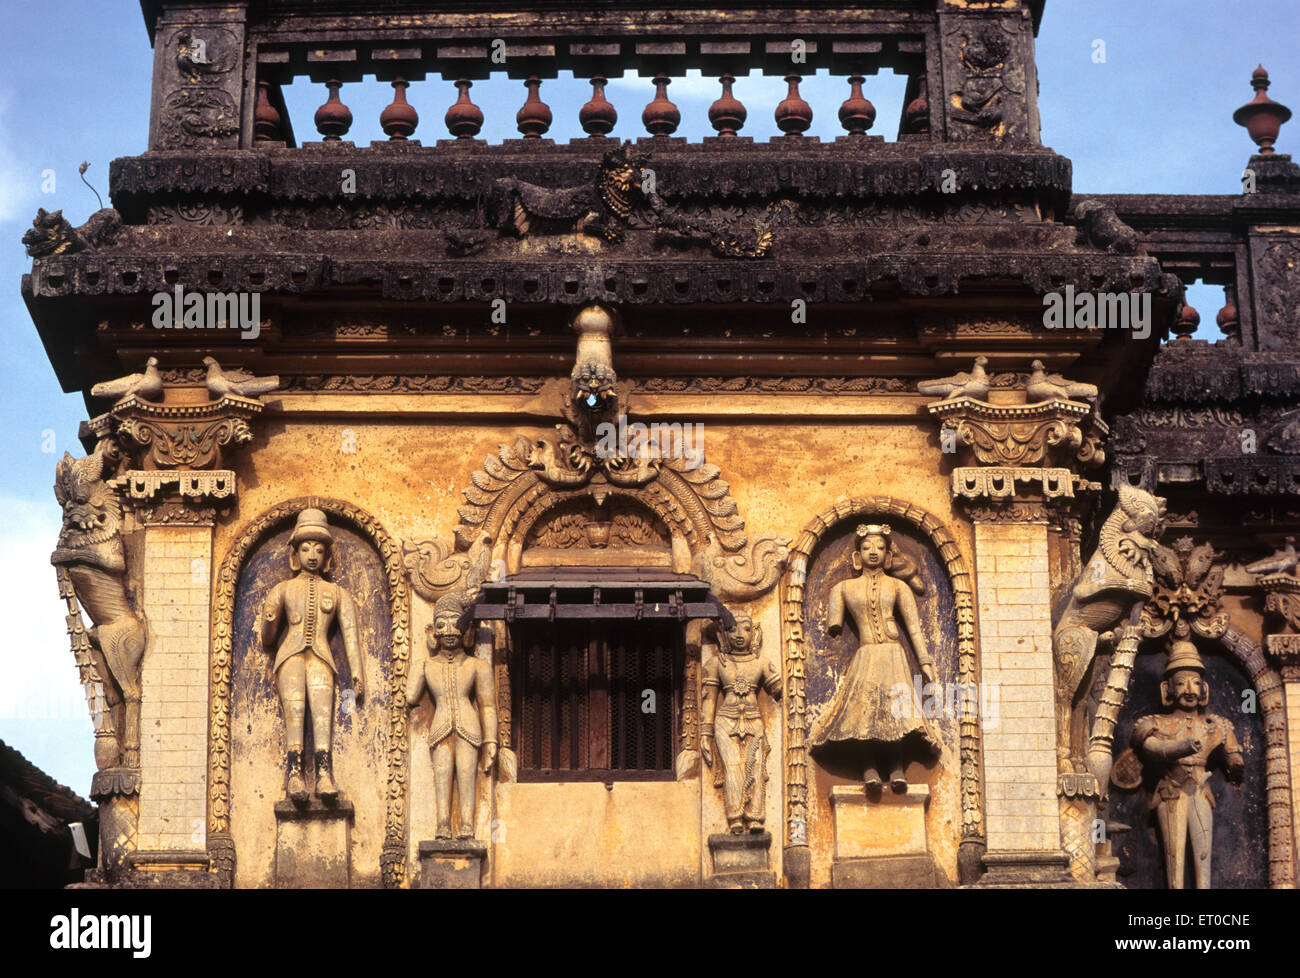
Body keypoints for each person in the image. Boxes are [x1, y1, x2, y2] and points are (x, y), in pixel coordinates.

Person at [809, 523, 939, 793]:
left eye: (880, 547)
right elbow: (834, 626)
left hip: (893, 654)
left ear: (888, 555)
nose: (873, 552)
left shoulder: (898, 587)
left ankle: (896, 766)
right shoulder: (843, 588)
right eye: (867, 547)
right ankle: (869, 766)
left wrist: (925, 662)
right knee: (865, 712)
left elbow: (914, 628)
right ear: (857, 556)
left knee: (897, 712)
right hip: (866, 654)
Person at [259, 507, 364, 804]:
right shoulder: (283, 589)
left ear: (327, 556)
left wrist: (357, 671)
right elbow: (267, 640)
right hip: (290, 654)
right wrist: (269, 618)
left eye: (319, 549)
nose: (312, 555)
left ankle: (323, 775)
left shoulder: (336, 592)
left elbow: (351, 637)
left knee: (322, 714)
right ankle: (294, 775)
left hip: (321, 655)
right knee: (295, 713)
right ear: (295, 555)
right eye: (305, 548)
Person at [1132, 641, 1243, 889]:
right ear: (1168, 688)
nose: (1189, 690)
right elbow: (1152, 749)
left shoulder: (1217, 726)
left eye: (1195, 682)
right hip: (1171, 791)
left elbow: (1235, 759)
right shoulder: (1155, 724)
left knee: (1203, 858)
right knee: (1174, 861)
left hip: (1201, 790)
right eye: (1181, 683)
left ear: (1204, 688)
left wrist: (1235, 762)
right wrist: (1182, 747)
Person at [406, 593, 498, 840]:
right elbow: (410, 696)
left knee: (467, 776)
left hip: (470, 726)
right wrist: (417, 669)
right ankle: (442, 826)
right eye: (441, 624)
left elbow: (488, 706)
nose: (448, 630)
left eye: (455, 623)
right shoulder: (427, 665)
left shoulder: (477, 666)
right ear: (432, 631)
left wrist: (491, 741)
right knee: (442, 777)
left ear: (466, 630)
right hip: (440, 726)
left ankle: (467, 825)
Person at [701, 612, 782, 834]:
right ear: (723, 635)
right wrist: (705, 734)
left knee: (755, 766)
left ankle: (755, 817)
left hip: (754, 720)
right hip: (725, 721)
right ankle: (735, 816)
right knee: (732, 768)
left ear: (753, 633)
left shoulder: (761, 663)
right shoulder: (716, 663)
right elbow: (708, 700)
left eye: (744, 629)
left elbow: (779, 690)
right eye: (732, 629)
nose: (738, 635)